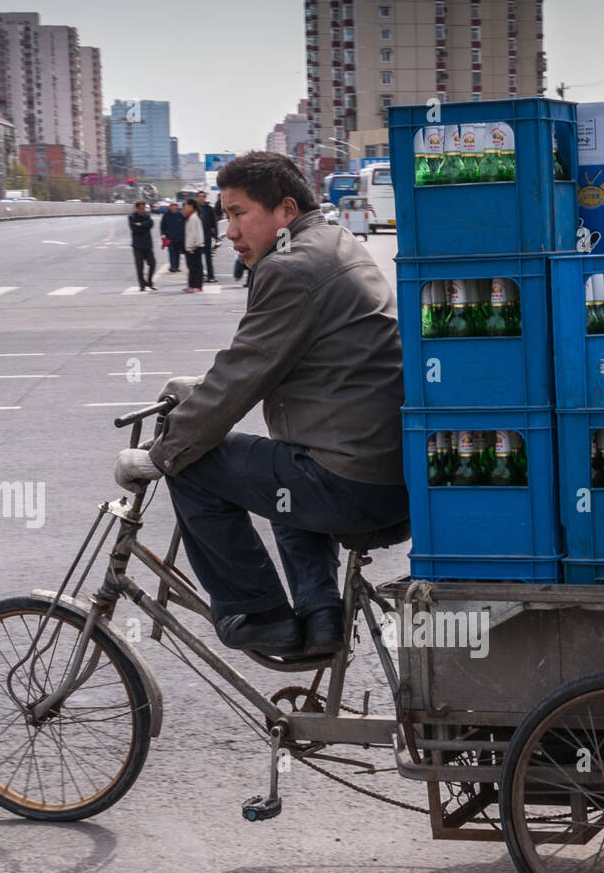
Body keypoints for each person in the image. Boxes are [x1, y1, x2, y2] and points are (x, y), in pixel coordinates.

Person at [114, 151, 409, 663]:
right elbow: (270, 361)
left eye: (238, 213)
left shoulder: (289, 267)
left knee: (193, 463)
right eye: (225, 216)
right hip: (387, 477)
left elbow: (242, 376)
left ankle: (257, 614)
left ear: (286, 210)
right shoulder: (335, 240)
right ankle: (320, 618)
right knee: (277, 467)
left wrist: (161, 456)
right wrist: (197, 390)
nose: (228, 231)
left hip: (352, 483)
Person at [128, 200, 156, 291]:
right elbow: (134, 228)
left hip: (147, 245)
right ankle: (142, 284)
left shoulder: (147, 216)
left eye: (143, 208)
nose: (142, 210)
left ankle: (149, 281)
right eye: (140, 208)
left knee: (152, 264)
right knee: (139, 266)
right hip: (137, 245)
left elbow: (151, 224)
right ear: (136, 208)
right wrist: (144, 226)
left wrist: (141, 224)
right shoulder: (132, 217)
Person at [196, 190, 218, 282]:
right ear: (197, 198)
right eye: (199, 196)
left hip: (207, 236)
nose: (201, 198)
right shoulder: (194, 208)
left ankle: (210, 276)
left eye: (203, 196)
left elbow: (214, 223)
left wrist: (216, 236)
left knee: (208, 257)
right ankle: (199, 276)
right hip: (196, 237)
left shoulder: (209, 209)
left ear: (205, 198)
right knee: (197, 258)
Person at [182, 198, 204, 291]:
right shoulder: (193, 216)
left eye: (186, 205)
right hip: (195, 246)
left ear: (191, 206)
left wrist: (190, 247)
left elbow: (192, 234)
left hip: (193, 247)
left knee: (193, 267)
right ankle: (197, 286)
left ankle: (193, 286)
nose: (184, 207)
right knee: (196, 266)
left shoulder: (193, 218)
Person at [160, 200, 185, 273]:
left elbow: (184, 224)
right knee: (172, 252)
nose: (174, 207)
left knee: (178, 253)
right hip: (170, 237)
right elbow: (162, 225)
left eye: (175, 206)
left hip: (179, 237)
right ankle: (173, 266)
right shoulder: (166, 215)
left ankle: (176, 266)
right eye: (172, 206)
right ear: (170, 207)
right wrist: (163, 234)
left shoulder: (180, 215)